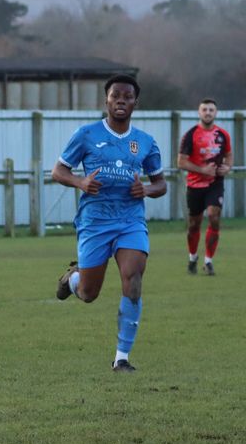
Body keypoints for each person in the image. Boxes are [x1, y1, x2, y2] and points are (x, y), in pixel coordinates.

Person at [52, 74, 167, 373]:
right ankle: (72, 279)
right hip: (95, 221)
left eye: (127, 97)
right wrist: (80, 181)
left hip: (130, 220)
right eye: (116, 95)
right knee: (89, 294)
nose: (121, 101)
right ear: (106, 99)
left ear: (135, 103)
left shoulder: (145, 142)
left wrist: (147, 190)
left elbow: (161, 184)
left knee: (133, 279)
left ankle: (121, 358)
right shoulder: (86, 134)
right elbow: (58, 171)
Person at [178, 98, 232, 275]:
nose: (208, 113)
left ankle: (208, 261)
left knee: (214, 216)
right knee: (194, 225)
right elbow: (181, 162)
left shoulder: (223, 134)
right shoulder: (191, 135)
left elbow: (229, 155)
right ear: (199, 112)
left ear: (216, 113)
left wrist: (228, 167)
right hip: (194, 186)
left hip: (215, 184)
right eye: (204, 110)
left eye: (211, 110)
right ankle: (193, 257)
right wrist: (202, 169)